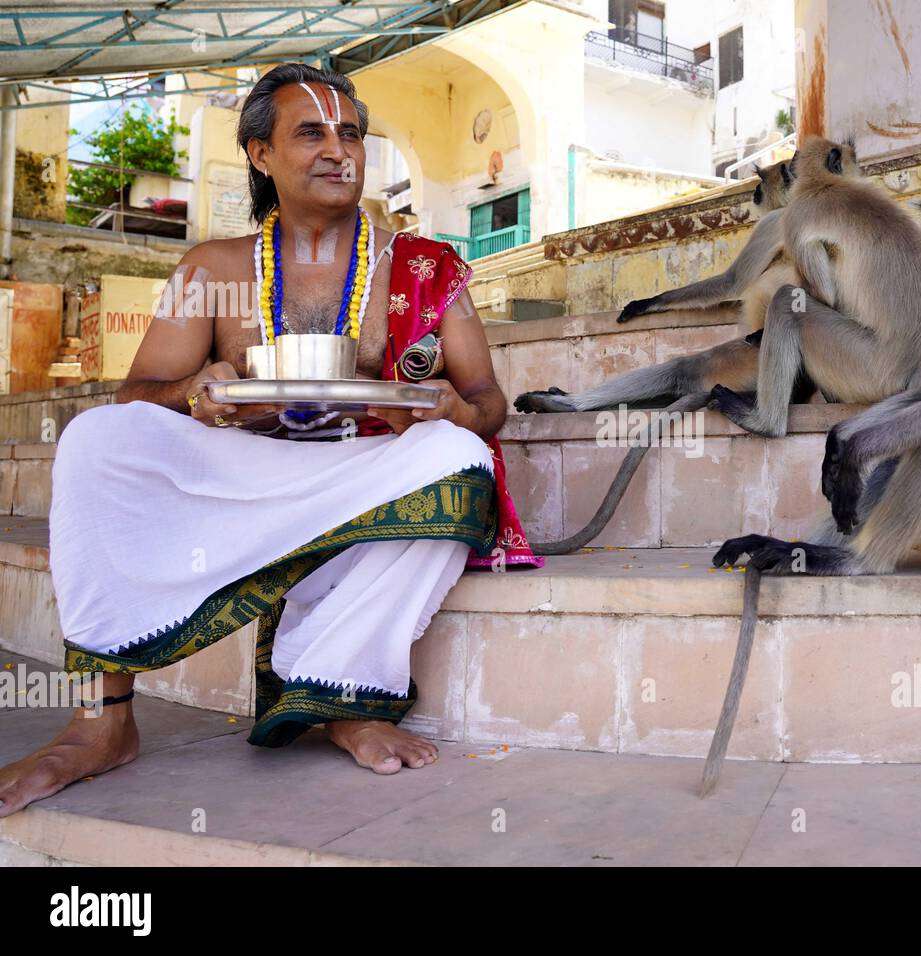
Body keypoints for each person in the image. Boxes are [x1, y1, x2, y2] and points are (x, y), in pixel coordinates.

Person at [0, 63, 539, 820]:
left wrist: (454, 405)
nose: (338, 150)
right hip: (240, 466)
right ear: (260, 155)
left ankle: (343, 697)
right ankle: (103, 721)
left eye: (350, 134)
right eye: (311, 132)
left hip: (368, 466)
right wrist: (196, 395)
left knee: (457, 458)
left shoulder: (426, 267)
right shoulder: (211, 269)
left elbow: (490, 403)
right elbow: (137, 396)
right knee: (96, 439)